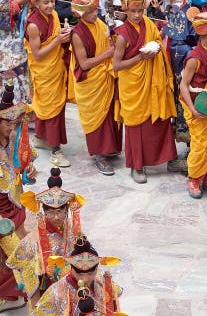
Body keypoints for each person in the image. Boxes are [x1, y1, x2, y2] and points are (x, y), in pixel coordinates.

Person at [112, 0, 178, 183]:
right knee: (136, 125)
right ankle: (137, 166)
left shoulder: (148, 24)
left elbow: (157, 40)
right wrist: (140, 57)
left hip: (153, 81)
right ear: (125, 10)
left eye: (141, 10)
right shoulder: (122, 35)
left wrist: (156, 49)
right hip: (133, 85)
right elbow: (116, 65)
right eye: (133, 11)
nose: (137, 15)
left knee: (158, 120)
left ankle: (167, 158)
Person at [7, 168, 84, 307]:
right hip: (46, 288)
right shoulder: (34, 238)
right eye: (51, 212)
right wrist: (36, 301)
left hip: (72, 282)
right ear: (44, 212)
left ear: (67, 210)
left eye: (60, 211)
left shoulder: (72, 228)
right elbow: (23, 265)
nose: (56, 217)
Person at [69, 0, 122, 175]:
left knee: (108, 115)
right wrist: (107, 54)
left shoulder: (99, 23)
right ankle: (100, 155)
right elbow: (83, 64)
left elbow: (107, 40)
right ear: (81, 13)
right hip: (91, 81)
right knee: (97, 119)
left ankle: (110, 148)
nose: (95, 14)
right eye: (91, 12)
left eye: (96, 10)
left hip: (104, 77)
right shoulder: (77, 34)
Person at [24, 0, 70, 168]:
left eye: (52, 1)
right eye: (45, 3)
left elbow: (56, 38)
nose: (50, 5)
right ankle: (55, 151)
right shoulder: (33, 25)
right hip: (44, 71)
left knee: (53, 107)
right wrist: (58, 40)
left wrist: (65, 36)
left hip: (56, 68)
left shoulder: (55, 15)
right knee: (51, 109)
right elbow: (38, 54)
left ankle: (41, 138)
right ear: (35, 3)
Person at [180, 11, 207, 199]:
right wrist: (192, 109)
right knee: (201, 144)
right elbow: (182, 85)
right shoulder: (194, 58)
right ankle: (194, 178)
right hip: (198, 106)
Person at [33, 235, 122, 315]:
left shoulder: (101, 276)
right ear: (71, 269)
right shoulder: (57, 291)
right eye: (80, 274)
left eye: (90, 273)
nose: (85, 279)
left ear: (97, 268)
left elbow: (117, 293)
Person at [0, 80, 30, 313]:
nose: (13, 128)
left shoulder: (12, 140)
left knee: (18, 256)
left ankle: (14, 297)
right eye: (8, 124)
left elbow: (19, 165)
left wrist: (27, 169)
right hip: (1, 211)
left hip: (13, 206)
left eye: (14, 123)